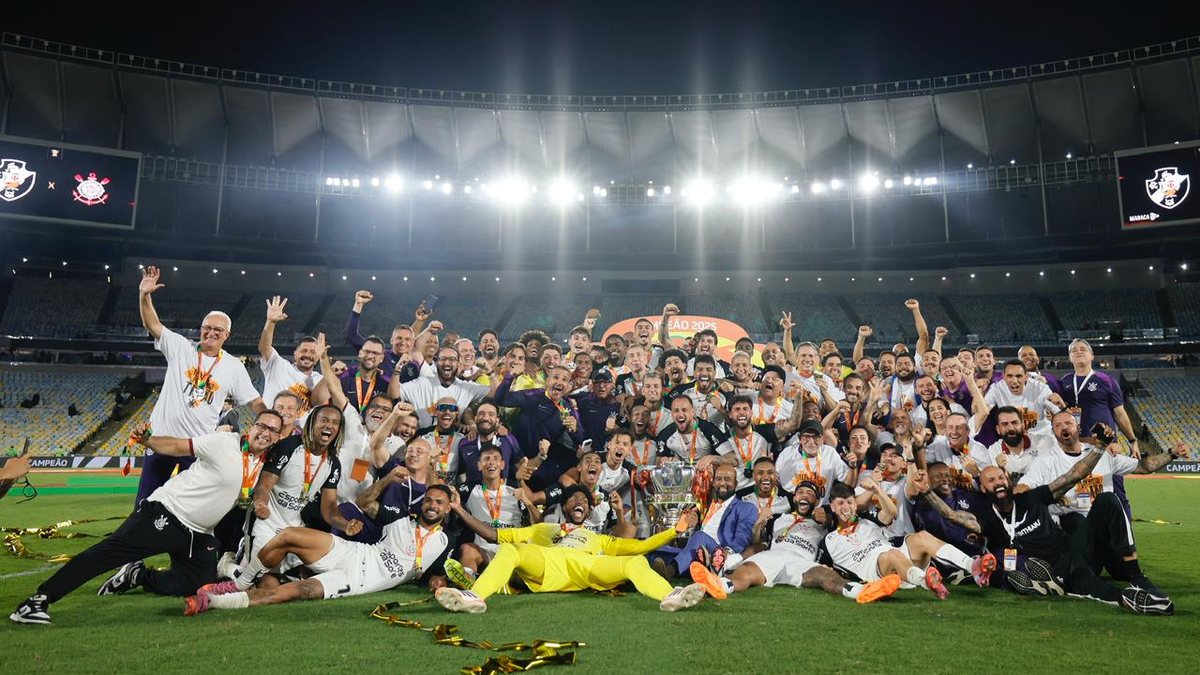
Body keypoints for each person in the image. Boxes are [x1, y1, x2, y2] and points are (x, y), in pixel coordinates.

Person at [10, 411, 284, 624]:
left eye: (273, 430)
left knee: (195, 586)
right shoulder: (224, 442)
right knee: (107, 553)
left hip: (199, 534)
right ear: (251, 426)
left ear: (277, 437)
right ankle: (37, 601)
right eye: (261, 425)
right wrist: (147, 440)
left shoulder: (263, 463)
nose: (265, 432)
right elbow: (177, 446)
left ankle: (137, 576)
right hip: (168, 513)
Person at [976, 435, 1186, 614]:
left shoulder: (1031, 498)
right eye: (991, 481)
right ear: (983, 489)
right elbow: (954, 518)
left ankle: (1136, 576)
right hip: (1057, 572)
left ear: (1007, 479)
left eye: (1000, 478)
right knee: (1084, 582)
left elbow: (1073, 475)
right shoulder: (987, 519)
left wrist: (1100, 447)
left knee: (1107, 500)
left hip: (1078, 550)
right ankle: (1130, 599)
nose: (998, 482)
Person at [435, 485, 708, 613]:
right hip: (548, 564)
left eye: (585, 500)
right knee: (512, 549)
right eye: (574, 498)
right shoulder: (543, 529)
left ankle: (669, 595)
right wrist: (459, 508)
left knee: (634, 560)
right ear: (565, 507)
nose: (580, 501)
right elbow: (494, 535)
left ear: (589, 510)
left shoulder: (599, 537)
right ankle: (475, 595)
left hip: (588, 568)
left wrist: (676, 529)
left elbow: (642, 545)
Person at [186, 486, 455, 615]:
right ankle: (240, 583)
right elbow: (364, 502)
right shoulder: (398, 518)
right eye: (429, 499)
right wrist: (387, 479)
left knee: (292, 592)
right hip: (355, 553)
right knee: (289, 535)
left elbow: (436, 574)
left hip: (357, 581)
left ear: (447, 508)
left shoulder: (445, 542)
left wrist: (438, 583)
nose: (432, 505)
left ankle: (215, 602)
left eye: (440, 502)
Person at [133, 265, 265, 505]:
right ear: (201, 329)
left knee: (190, 505)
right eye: (207, 327)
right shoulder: (181, 348)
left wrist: (270, 421)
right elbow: (153, 324)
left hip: (197, 446)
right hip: (161, 438)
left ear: (226, 335)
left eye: (218, 329)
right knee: (146, 501)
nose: (211, 333)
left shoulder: (234, 366)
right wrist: (145, 295)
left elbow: (254, 400)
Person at [689, 480, 901, 604]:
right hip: (774, 554)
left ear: (817, 501)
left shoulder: (825, 519)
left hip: (802, 559)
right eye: (800, 492)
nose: (804, 495)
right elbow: (759, 542)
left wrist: (870, 490)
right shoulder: (779, 518)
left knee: (824, 576)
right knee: (748, 572)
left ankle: (860, 591)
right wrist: (758, 526)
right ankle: (723, 585)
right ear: (794, 497)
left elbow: (850, 506)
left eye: (810, 493)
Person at [823, 480, 994, 600]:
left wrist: (877, 489)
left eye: (849, 502)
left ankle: (972, 566)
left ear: (855, 504)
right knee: (890, 553)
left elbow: (891, 512)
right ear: (832, 507)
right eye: (840, 503)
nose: (846, 507)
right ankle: (925, 581)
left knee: (922, 537)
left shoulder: (867, 520)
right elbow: (822, 568)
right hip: (878, 574)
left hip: (902, 562)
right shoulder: (829, 540)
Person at [1017, 412, 1184, 517]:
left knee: (1111, 501)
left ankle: (1131, 568)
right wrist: (1049, 494)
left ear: (1078, 428)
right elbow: (1021, 489)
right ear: (1054, 433)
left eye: (1068, 423)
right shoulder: (1045, 460)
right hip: (1069, 521)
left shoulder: (1103, 453)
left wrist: (1172, 453)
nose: (1063, 427)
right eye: (1058, 425)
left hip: (1104, 521)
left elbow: (1144, 466)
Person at [1059, 339, 1141, 516]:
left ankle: (1125, 536)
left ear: (1091, 355)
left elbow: (1119, 413)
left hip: (1105, 446)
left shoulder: (1106, 380)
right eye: (1074, 350)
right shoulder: (1064, 382)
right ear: (1070, 357)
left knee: (1117, 491)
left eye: (1083, 349)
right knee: (1076, 491)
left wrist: (1132, 440)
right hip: (1076, 447)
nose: (1078, 351)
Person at [443, 446, 540, 589]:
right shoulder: (469, 490)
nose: (491, 462)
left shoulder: (515, 490)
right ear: (479, 465)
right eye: (486, 459)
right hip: (485, 551)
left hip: (513, 551)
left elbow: (539, 525)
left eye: (496, 459)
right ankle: (467, 578)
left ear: (502, 464)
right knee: (467, 548)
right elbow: (440, 493)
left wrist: (529, 502)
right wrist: (432, 467)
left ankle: (511, 579)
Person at [651, 463, 758, 578]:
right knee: (655, 550)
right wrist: (691, 527)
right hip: (699, 550)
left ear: (735, 484)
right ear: (713, 482)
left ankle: (670, 571)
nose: (722, 483)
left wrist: (728, 553)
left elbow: (743, 535)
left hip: (720, 553)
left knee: (700, 536)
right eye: (719, 479)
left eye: (727, 479)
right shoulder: (709, 505)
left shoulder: (746, 507)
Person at [390, 346, 491, 428]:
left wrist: (491, 372)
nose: (447, 363)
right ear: (436, 362)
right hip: (422, 442)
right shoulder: (422, 383)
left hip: (451, 444)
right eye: (442, 359)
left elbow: (495, 394)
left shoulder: (466, 388)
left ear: (459, 363)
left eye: (452, 359)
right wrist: (397, 369)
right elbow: (393, 394)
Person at [257, 295, 322, 411]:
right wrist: (270, 322)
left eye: (313, 352)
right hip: (271, 426)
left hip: (301, 429)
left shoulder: (320, 380)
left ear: (318, 357)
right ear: (295, 354)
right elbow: (264, 347)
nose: (307, 354)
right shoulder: (279, 366)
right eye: (303, 350)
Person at [655, 395, 728, 467]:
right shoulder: (666, 434)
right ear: (672, 414)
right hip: (681, 475)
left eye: (684, 410)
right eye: (676, 411)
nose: (680, 414)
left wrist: (713, 458)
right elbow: (658, 460)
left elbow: (732, 458)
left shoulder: (708, 429)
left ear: (693, 412)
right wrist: (663, 460)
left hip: (706, 475)